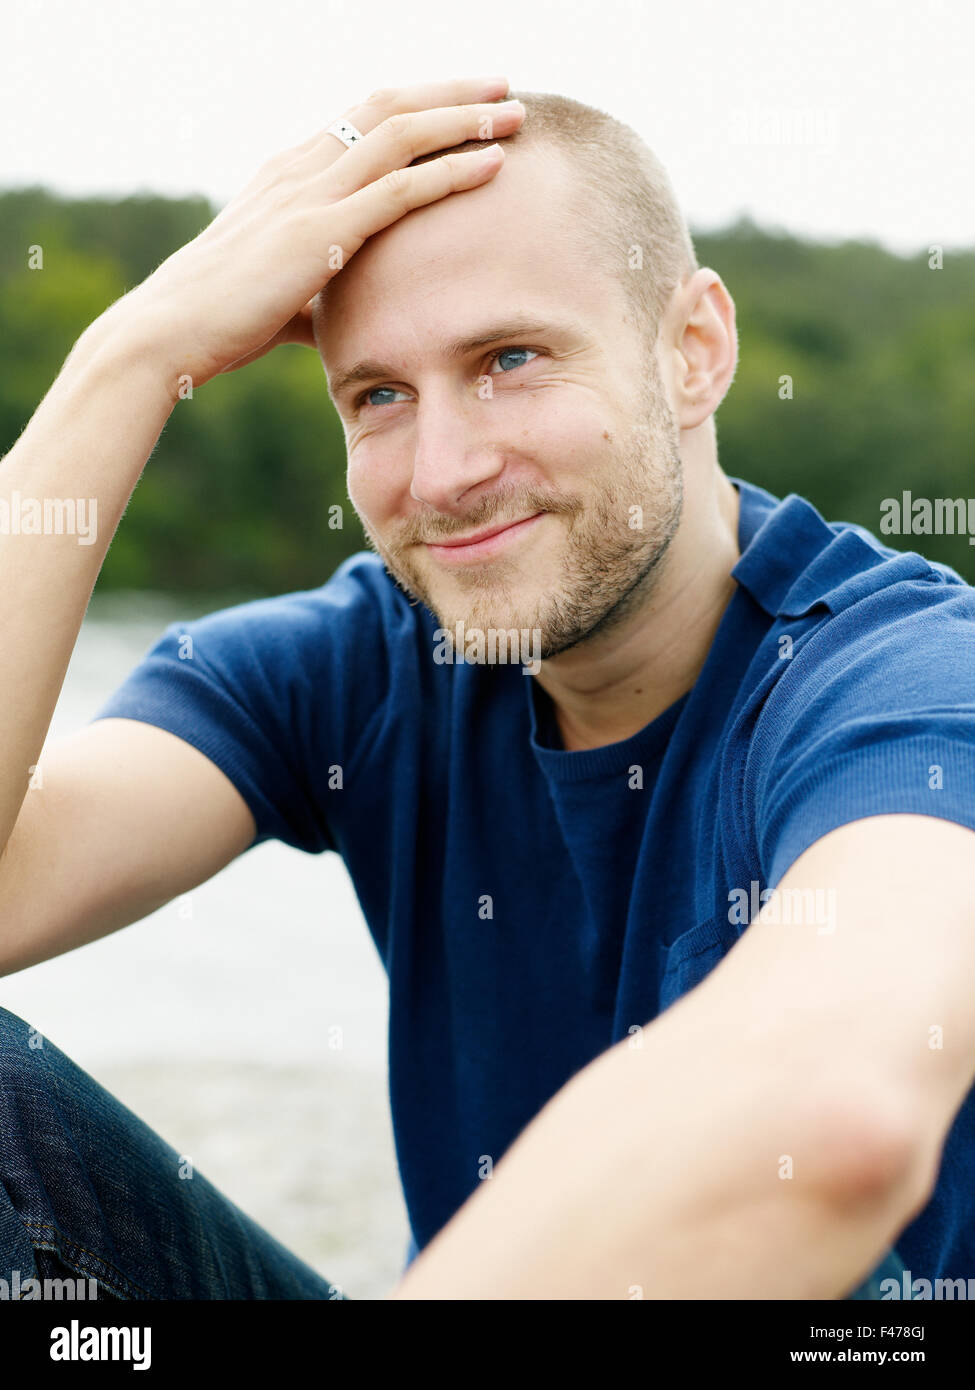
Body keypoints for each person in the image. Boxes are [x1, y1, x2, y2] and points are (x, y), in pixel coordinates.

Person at [1, 74, 973, 1301]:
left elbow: (834, 1123)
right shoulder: (361, 661)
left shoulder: (901, 682)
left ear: (694, 352)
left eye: (510, 358)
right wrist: (133, 355)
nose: (445, 472)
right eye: (380, 397)